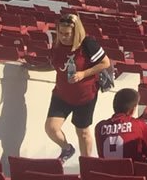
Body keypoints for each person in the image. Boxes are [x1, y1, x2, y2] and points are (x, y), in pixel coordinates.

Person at [46, 12, 111, 162]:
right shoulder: (57, 45)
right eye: (61, 33)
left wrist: (83, 74)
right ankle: (67, 148)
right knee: (51, 128)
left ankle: (87, 163)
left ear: (76, 33)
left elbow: (105, 63)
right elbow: (54, 65)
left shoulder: (88, 44)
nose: (63, 37)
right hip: (62, 94)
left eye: (67, 34)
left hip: (85, 96)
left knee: (82, 131)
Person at [96, 87, 147, 163]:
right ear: (132, 109)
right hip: (133, 173)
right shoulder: (139, 124)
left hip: (106, 173)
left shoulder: (99, 127)